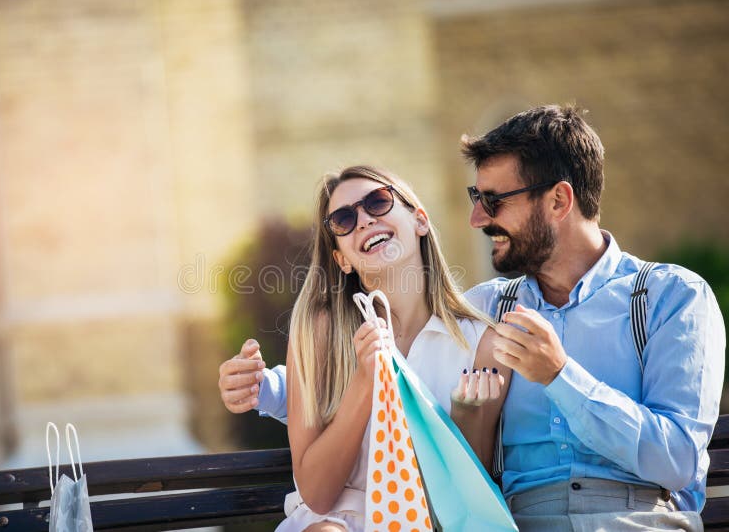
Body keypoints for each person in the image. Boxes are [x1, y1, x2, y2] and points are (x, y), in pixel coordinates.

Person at [218, 105, 725, 531]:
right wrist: (265, 388)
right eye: (474, 199)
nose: (477, 219)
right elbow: (398, 368)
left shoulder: (669, 298)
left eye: (493, 201)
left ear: (558, 200)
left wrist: (559, 376)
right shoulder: (484, 311)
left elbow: (678, 460)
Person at [261, 165, 505, 532]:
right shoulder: (319, 330)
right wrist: (364, 381)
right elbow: (317, 494)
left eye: (377, 202)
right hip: (334, 520)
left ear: (419, 220)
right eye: (343, 219)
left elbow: (465, 500)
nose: (362, 220)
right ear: (341, 259)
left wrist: (468, 415)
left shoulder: (481, 344)